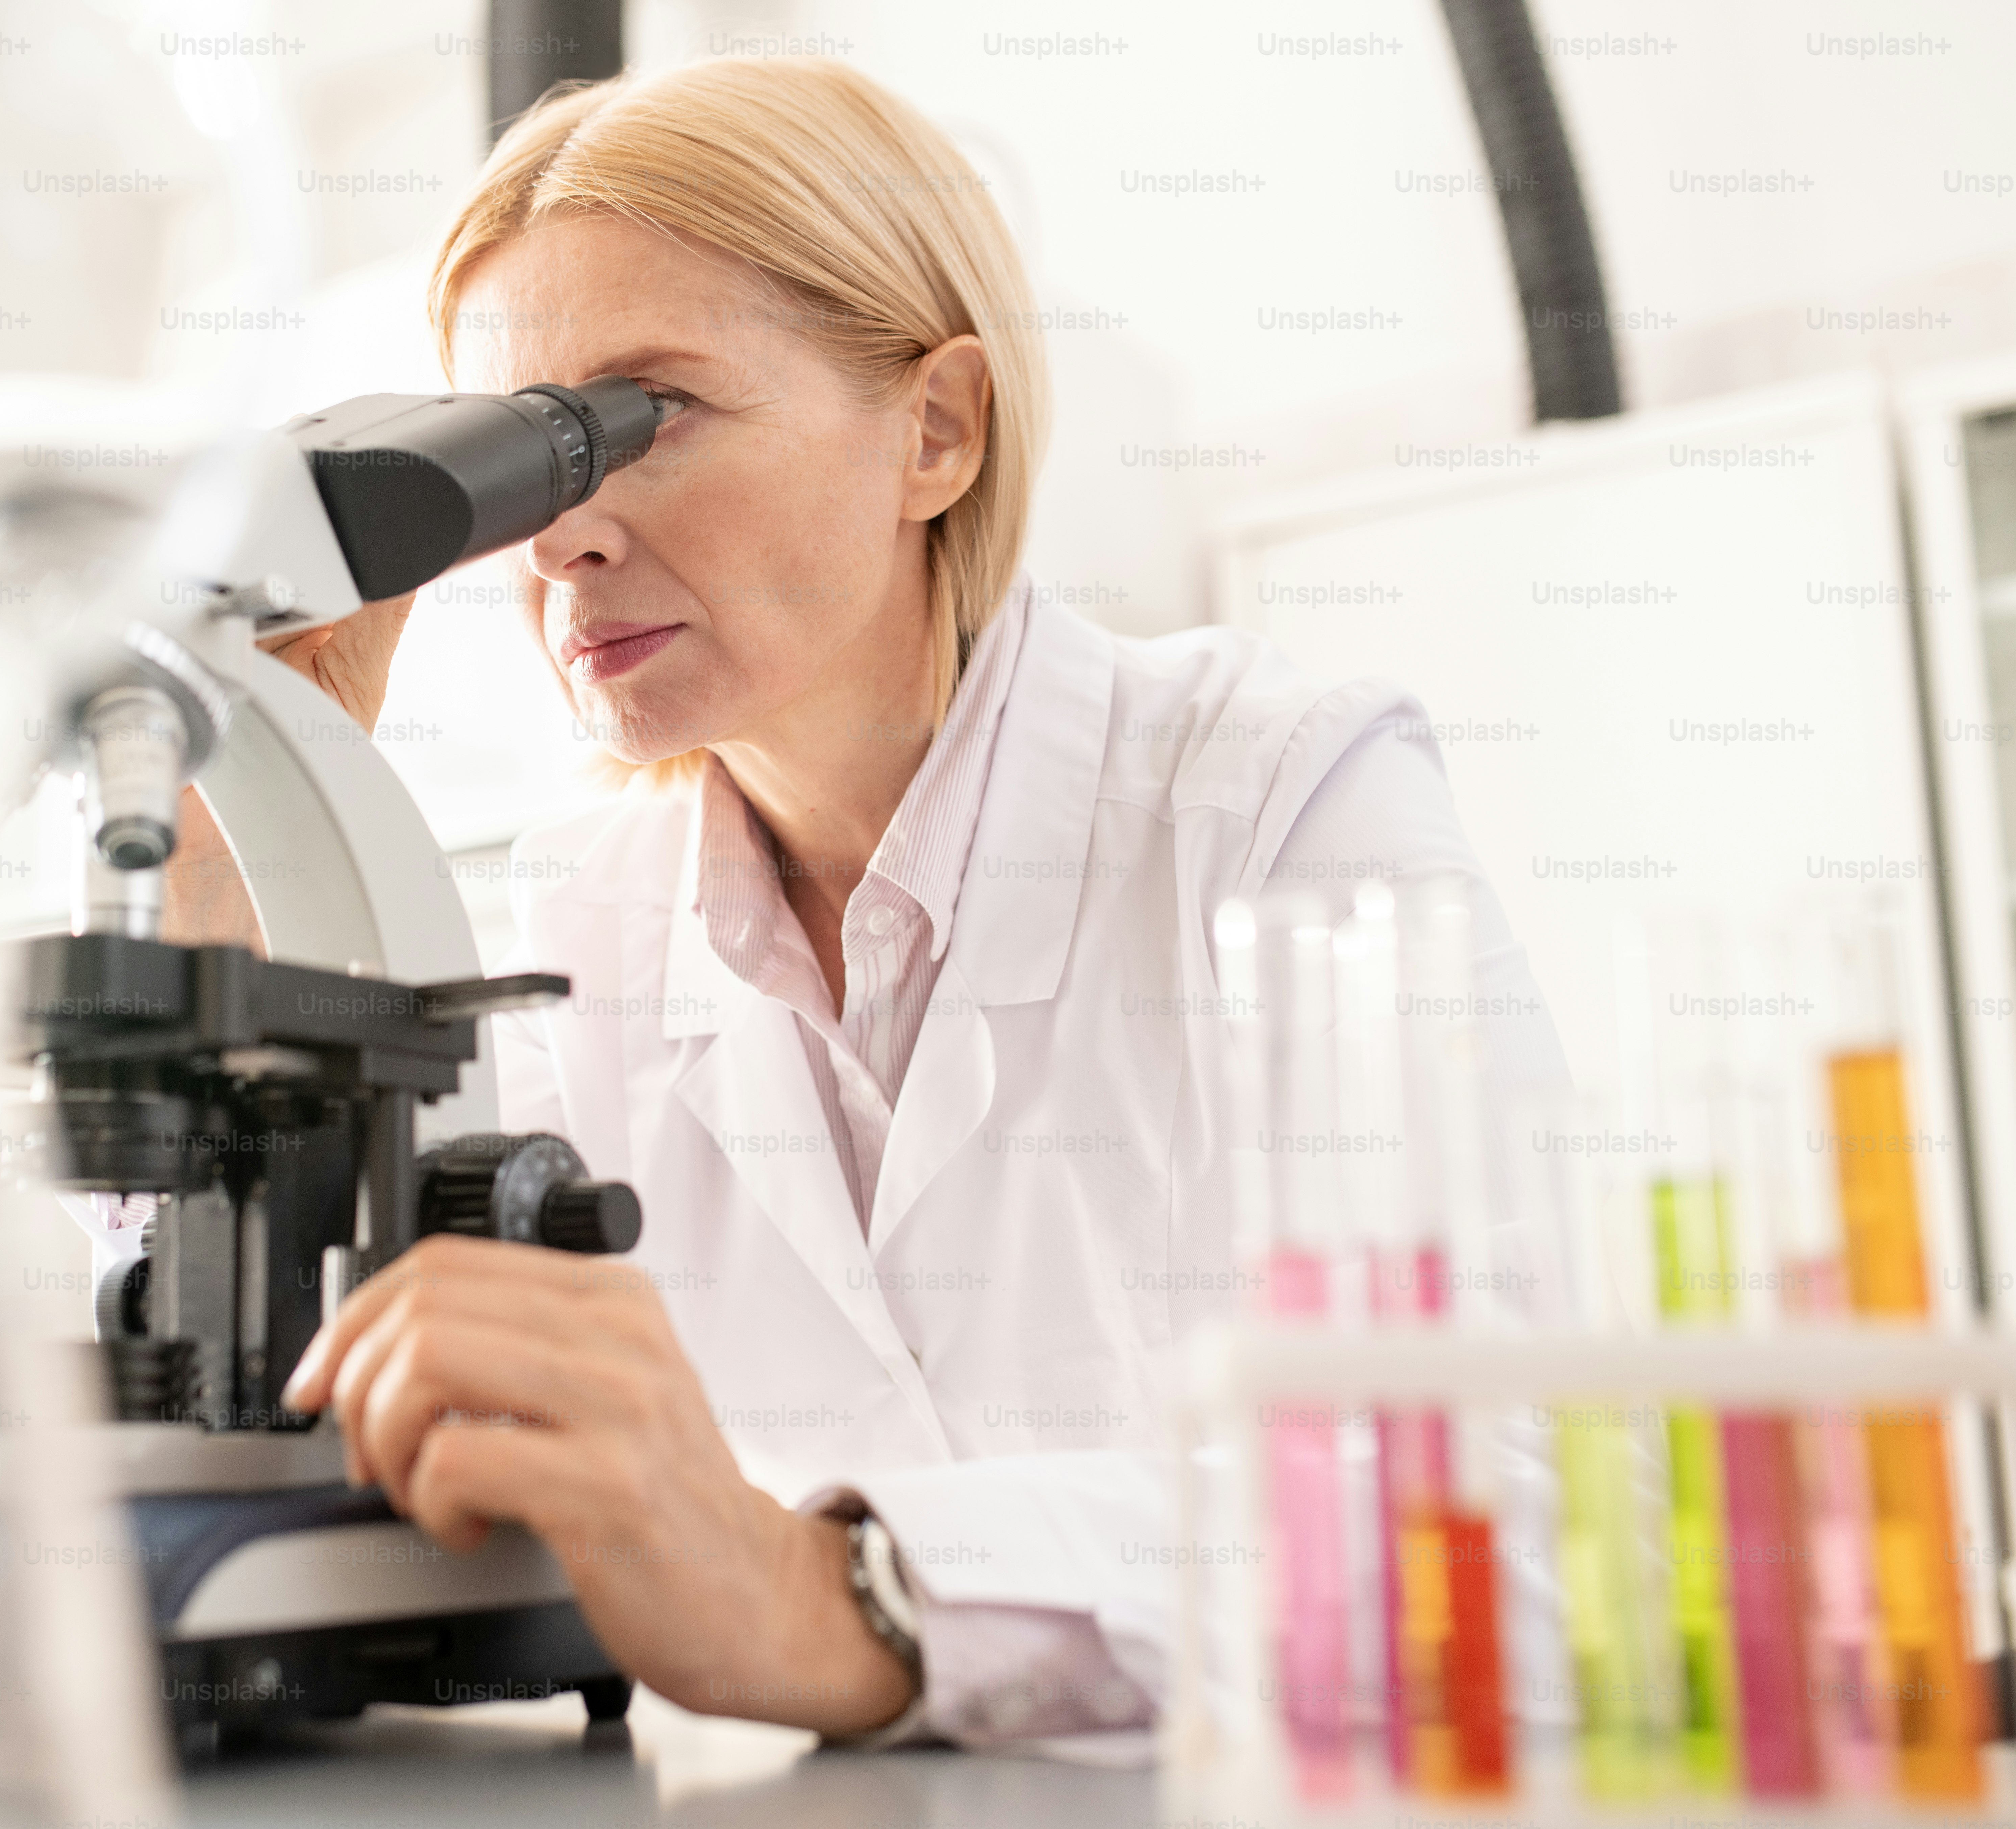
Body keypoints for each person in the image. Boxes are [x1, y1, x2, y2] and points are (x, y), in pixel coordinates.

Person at [243, 58, 1568, 1747]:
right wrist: (249, 798)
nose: (554, 542)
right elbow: (321, 1417)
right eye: (513, 460)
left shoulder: (1281, 805)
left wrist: (845, 1598)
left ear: (932, 431)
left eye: (638, 417)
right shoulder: (570, 916)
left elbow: (1512, 1509)